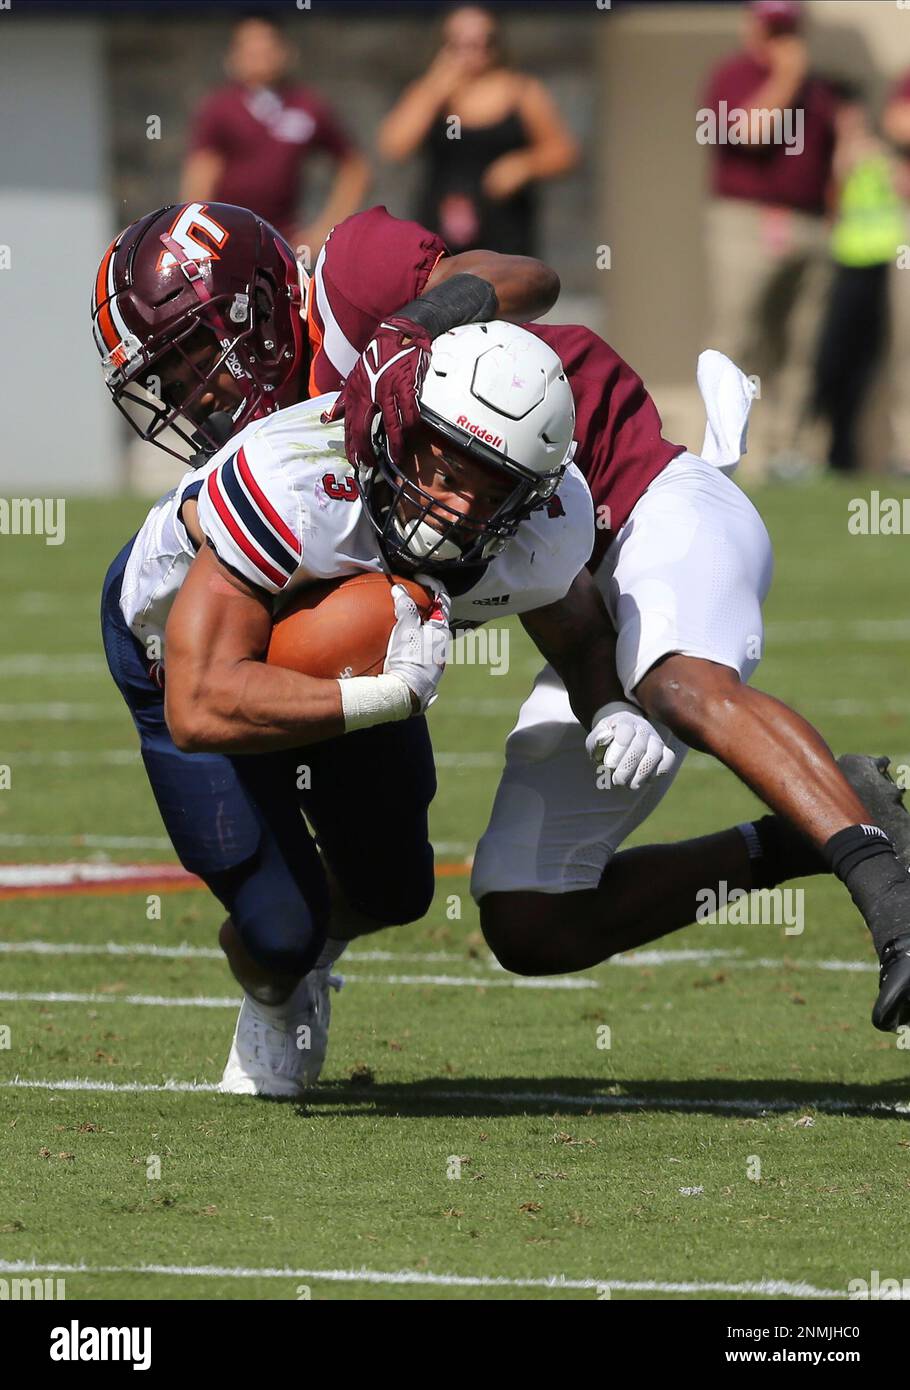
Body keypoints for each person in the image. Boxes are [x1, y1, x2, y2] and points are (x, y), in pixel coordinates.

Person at [93, 214, 676, 1096]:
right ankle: (276, 987)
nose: (192, 394)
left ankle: (314, 933)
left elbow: (580, 626)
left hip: (344, 615)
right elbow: (200, 704)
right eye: (166, 375)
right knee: (280, 929)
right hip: (185, 646)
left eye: (196, 356)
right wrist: (380, 698)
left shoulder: (528, 509)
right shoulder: (293, 476)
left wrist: (614, 706)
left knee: (397, 887)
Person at [701, 0, 838, 475]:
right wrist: (785, 78)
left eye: (788, 30)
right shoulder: (733, 76)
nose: (781, 40)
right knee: (739, 338)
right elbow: (750, 133)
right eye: (772, 29)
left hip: (811, 225)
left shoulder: (820, 88)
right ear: (751, 27)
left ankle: (789, 451)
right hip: (748, 222)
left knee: (801, 345)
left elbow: (829, 159)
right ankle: (726, 453)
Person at [377, 4, 577, 257]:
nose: (475, 52)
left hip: (505, 232)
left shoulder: (521, 91)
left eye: (486, 41)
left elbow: (564, 151)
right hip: (441, 231)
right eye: (462, 43)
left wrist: (525, 164)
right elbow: (394, 146)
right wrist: (434, 89)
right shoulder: (430, 92)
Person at [181, 11, 369, 256]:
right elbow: (201, 173)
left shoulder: (305, 106)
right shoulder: (220, 108)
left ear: (285, 52)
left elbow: (354, 168)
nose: (259, 56)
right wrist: (195, 236)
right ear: (233, 57)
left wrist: (326, 229)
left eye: (266, 46)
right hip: (224, 240)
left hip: (282, 242)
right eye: (250, 49)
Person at [813, 82, 905, 474]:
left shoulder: (884, 155)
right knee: (832, 363)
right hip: (840, 269)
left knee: (873, 364)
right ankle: (829, 451)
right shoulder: (824, 157)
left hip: (882, 266)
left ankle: (864, 456)